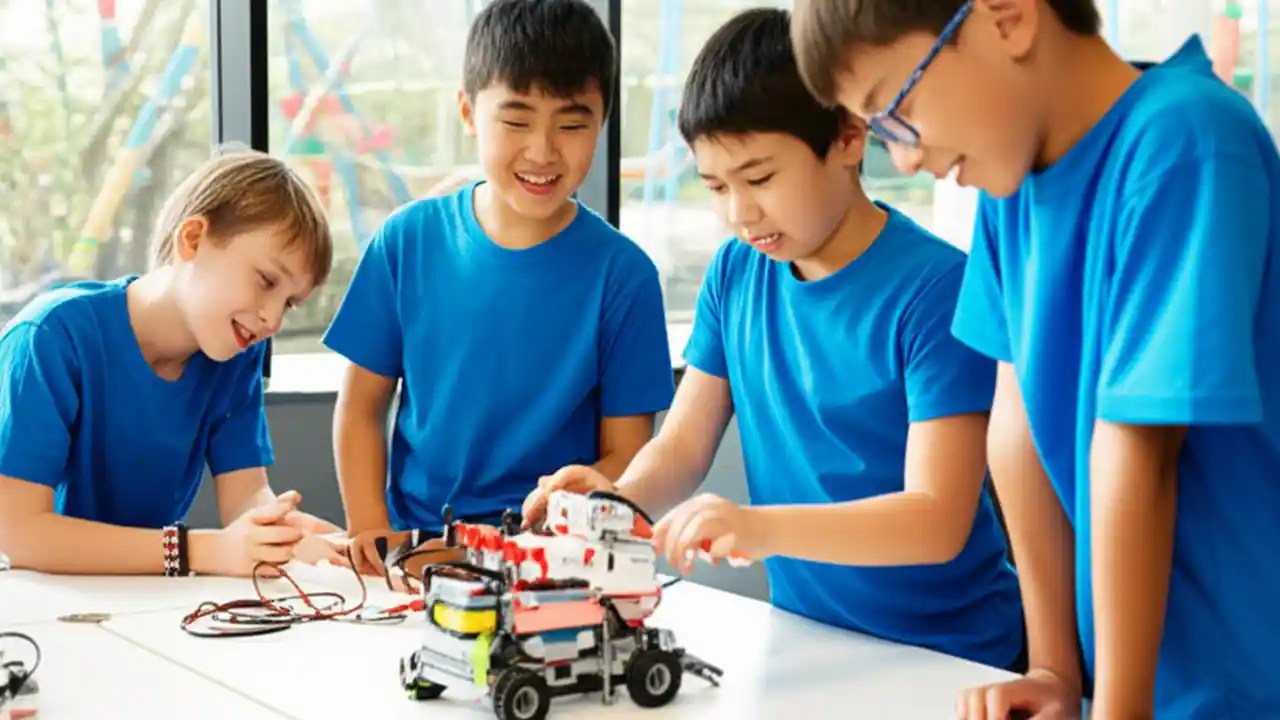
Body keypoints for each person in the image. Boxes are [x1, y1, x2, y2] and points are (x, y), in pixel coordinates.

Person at [791, 0, 1280, 717]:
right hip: (1128, 682)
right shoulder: (1011, 183)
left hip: (1242, 678)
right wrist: (1055, 667)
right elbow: (1015, 434)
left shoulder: (1187, 139)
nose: (906, 158)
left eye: (897, 110)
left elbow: (1135, 451)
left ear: (1008, 18)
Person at [524, 7, 1024, 671]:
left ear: (848, 137)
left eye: (760, 178)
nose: (740, 212)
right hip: (810, 641)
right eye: (716, 186)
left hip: (954, 655)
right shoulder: (736, 273)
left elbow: (936, 521)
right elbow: (683, 445)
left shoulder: (936, 291)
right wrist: (616, 501)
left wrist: (759, 527)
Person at [324, 0, 674, 576]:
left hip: (550, 560)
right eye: (516, 121)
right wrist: (371, 533)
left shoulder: (624, 276)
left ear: (603, 121)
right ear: (468, 112)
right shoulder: (406, 240)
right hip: (416, 551)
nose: (542, 151)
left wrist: (572, 501)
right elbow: (361, 407)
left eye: (572, 124)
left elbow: (628, 453)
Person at [0, 149, 343, 577]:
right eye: (266, 281)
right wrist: (196, 550)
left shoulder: (236, 354)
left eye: (289, 304)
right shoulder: (51, 336)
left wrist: (285, 534)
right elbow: (17, 533)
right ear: (193, 239)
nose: (272, 320)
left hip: (141, 594)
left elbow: (245, 496)